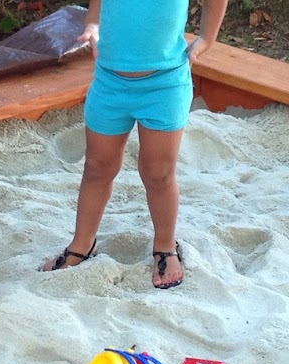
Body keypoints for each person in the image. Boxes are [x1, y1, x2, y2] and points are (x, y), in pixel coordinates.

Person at [39, 0, 228, 289]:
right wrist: (92, 23)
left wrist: (207, 38)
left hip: (164, 84)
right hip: (109, 81)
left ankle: (165, 245)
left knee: (158, 172)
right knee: (97, 167)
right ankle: (82, 245)